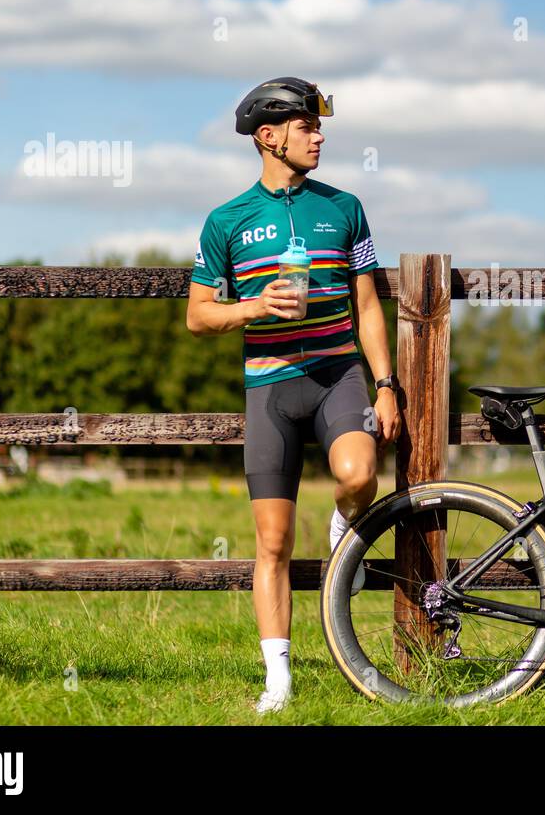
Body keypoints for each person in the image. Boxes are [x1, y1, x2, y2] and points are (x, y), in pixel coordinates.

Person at [185, 77, 400, 713]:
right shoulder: (226, 220)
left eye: (317, 125)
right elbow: (198, 317)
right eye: (307, 126)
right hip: (269, 387)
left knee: (360, 474)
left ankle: (344, 526)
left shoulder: (345, 207)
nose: (319, 136)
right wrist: (251, 307)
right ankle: (278, 680)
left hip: (340, 375)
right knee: (273, 543)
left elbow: (367, 303)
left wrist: (385, 384)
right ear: (268, 137)